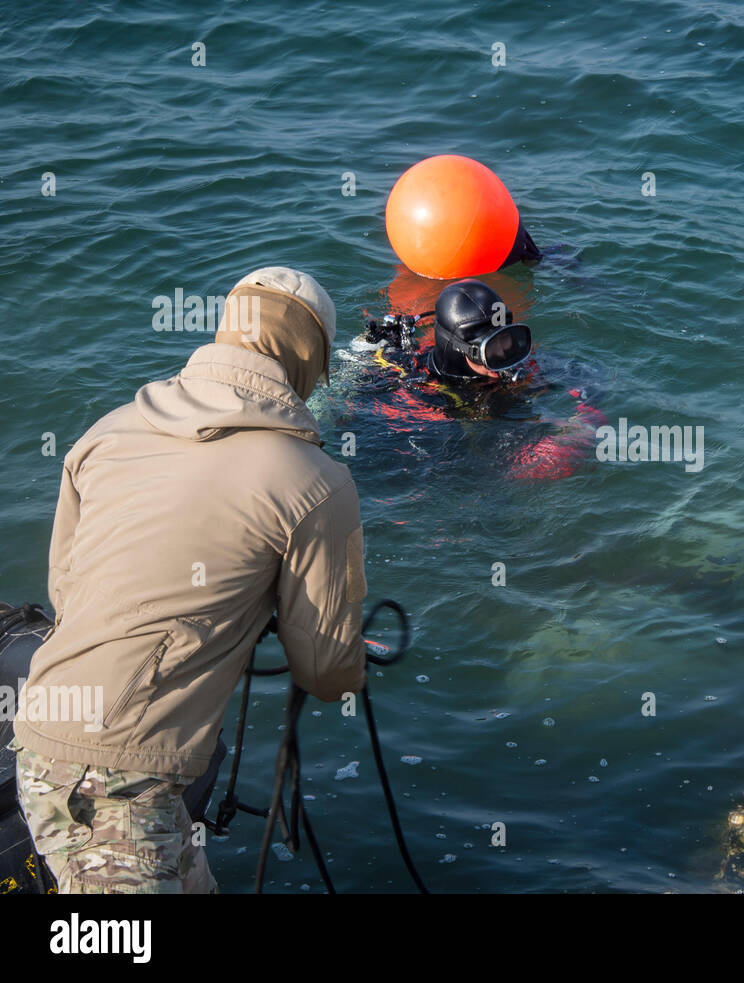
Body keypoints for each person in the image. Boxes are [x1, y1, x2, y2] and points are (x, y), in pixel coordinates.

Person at [9, 266, 368, 893]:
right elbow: (328, 670)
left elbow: (68, 593)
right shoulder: (315, 483)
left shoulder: (107, 433)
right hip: (114, 778)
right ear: (310, 360)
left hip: (48, 733)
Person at [361, 278, 606, 479]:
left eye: (507, 341)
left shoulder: (515, 364)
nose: (504, 359)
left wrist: (586, 415)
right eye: (491, 351)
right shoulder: (422, 393)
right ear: (461, 350)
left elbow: (588, 375)